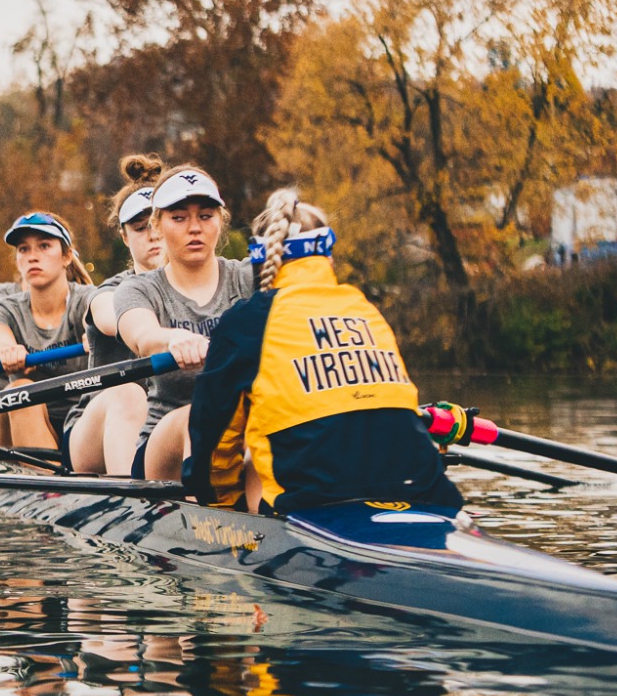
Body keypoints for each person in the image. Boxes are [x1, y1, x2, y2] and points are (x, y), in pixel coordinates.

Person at [182, 189, 461, 514]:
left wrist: (224, 514)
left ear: (260, 258)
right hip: (428, 494)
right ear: (327, 256)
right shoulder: (364, 307)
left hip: (313, 508)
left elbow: (214, 444)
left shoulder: (245, 323)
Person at [115, 165, 256, 482]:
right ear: (158, 226)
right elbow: (142, 336)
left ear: (220, 221)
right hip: (165, 444)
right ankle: (212, 519)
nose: (195, 228)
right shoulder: (138, 289)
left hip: (248, 431)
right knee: (203, 417)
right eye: (179, 218)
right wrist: (172, 340)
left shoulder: (250, 277)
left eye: (205, 216)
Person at [66, 154, 166, 475]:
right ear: (124, 237)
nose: (153, 234)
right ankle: (133, 505)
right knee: (128, 395)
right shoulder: (109, 293)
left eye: (160, 223)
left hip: (164, 426)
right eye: (140, 228)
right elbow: (113, 318)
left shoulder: (203, 287)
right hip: (95, 431)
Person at [0, 212, 95, 461]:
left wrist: (99, 331)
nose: (32, 256)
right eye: (24, 249)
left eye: (44, 246)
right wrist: (6, 352)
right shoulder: (2, 308)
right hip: (29, 419)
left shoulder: (88, 298)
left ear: (66, 256)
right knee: (19, 389)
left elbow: (103, 313)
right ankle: (51, 493)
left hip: (87, 423)